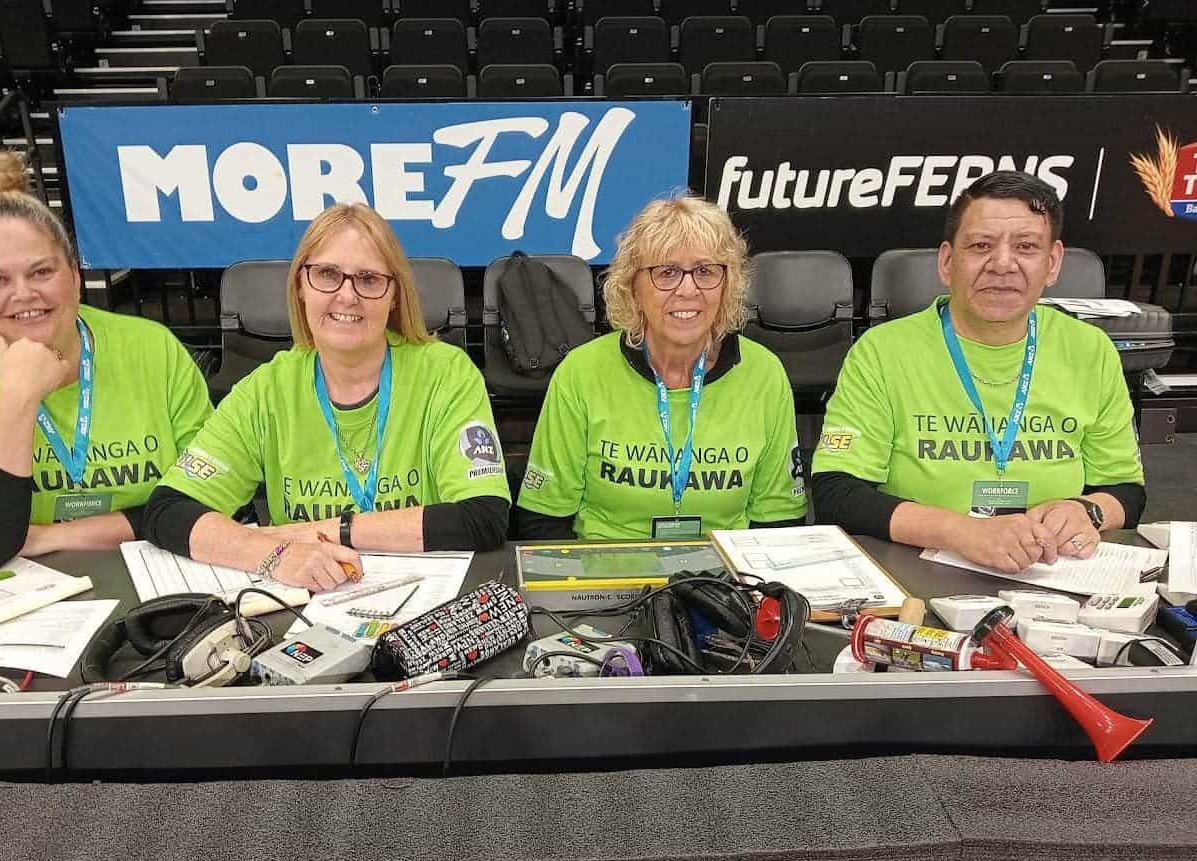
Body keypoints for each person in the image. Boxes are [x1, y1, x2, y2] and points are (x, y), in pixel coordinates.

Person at [143, 203, 509, 592]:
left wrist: (319, 532)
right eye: (327, 274)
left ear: (394, 295)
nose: (347, 296)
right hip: (308, 603)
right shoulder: (266, 391)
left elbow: (482, 517)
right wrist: (276, 554)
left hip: (427, 596)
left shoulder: (445, 374)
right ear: (300, 286)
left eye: (369, 279)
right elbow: (167, 511)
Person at [812, 170, 1145, 574]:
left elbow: (1125, 490)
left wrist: (1086, 510)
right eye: (981, 245)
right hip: (918, 574)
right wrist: (962, 532)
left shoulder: (1091, 350)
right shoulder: (882, 351)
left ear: (1053, 263)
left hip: (1052, 574)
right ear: (947, 262)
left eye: (1026, 247)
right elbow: (837, 493)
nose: (1002, 264)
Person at [0, 150, 213, 572]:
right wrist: (17, 397)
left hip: (157, 573)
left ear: (75, 275)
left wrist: (51, 536)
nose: (23, 294)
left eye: (41, 272)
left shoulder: (152, 348)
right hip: (24, 590)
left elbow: (206, 500)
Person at [514, 194, 806, 541]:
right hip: (607, 569)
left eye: (705, 271)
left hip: (724, 570)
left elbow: (778, 525)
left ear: (727, 284)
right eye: (667, 273)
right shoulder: (581, 373)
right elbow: (544, 520)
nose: (688, 289)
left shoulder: (764, 375)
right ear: (632, 287)